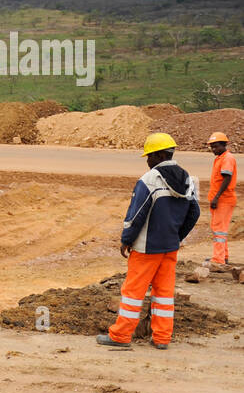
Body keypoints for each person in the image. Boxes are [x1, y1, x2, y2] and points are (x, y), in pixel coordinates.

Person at [97, 133, 199, 350]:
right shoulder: (188, 178)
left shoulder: (149, 179)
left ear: (160, 154)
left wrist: (126, 239)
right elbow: (194, 213)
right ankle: (162, 338)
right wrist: (177, 236)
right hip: (170, 248)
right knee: (164, 294)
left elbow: (136, 215)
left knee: (133, 293)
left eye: (149, 156)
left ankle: (121, 336)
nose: (147, 161)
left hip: (146, 248)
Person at [207, 132, 235, 266]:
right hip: (219, 199)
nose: (213, 149)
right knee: (220, 230)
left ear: (224, 145)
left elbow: (227, 178)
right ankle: (223, 257)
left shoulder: (227, 158)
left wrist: (217, 197)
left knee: (219, 230)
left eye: (216, 146)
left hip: (223, 200)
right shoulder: (220, 158)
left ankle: (218, 260)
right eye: (211, 147)